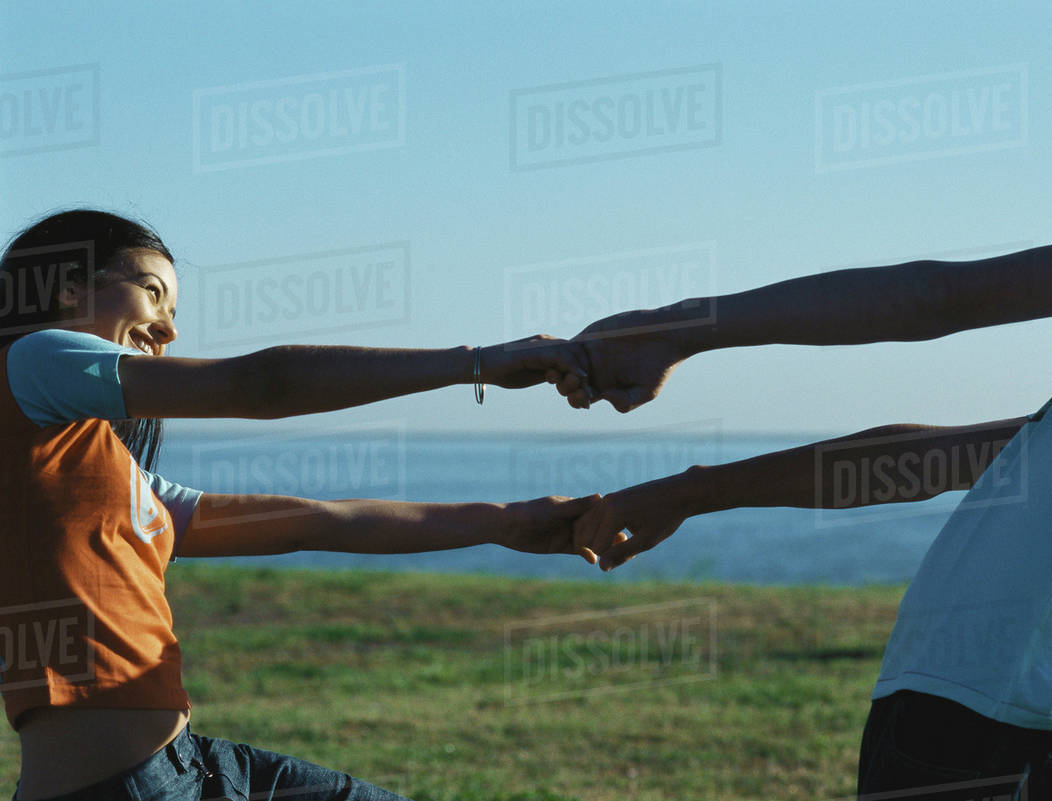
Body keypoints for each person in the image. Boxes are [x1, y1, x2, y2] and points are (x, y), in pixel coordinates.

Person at [554, 87, 1052, 799]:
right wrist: (693, 492)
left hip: (993, 720)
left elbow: (935, 298)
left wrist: (676, 328)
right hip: (1050, 724)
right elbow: (937, 462)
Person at [0, 209, 617, 801]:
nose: (169, 329)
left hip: (192, 765)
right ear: (68, 286)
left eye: (174, 311)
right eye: (152, 293)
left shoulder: (104, 471)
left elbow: (315, 523)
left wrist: (505, 522)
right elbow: (257, 385)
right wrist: (476, 363)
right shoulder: (31, 361)